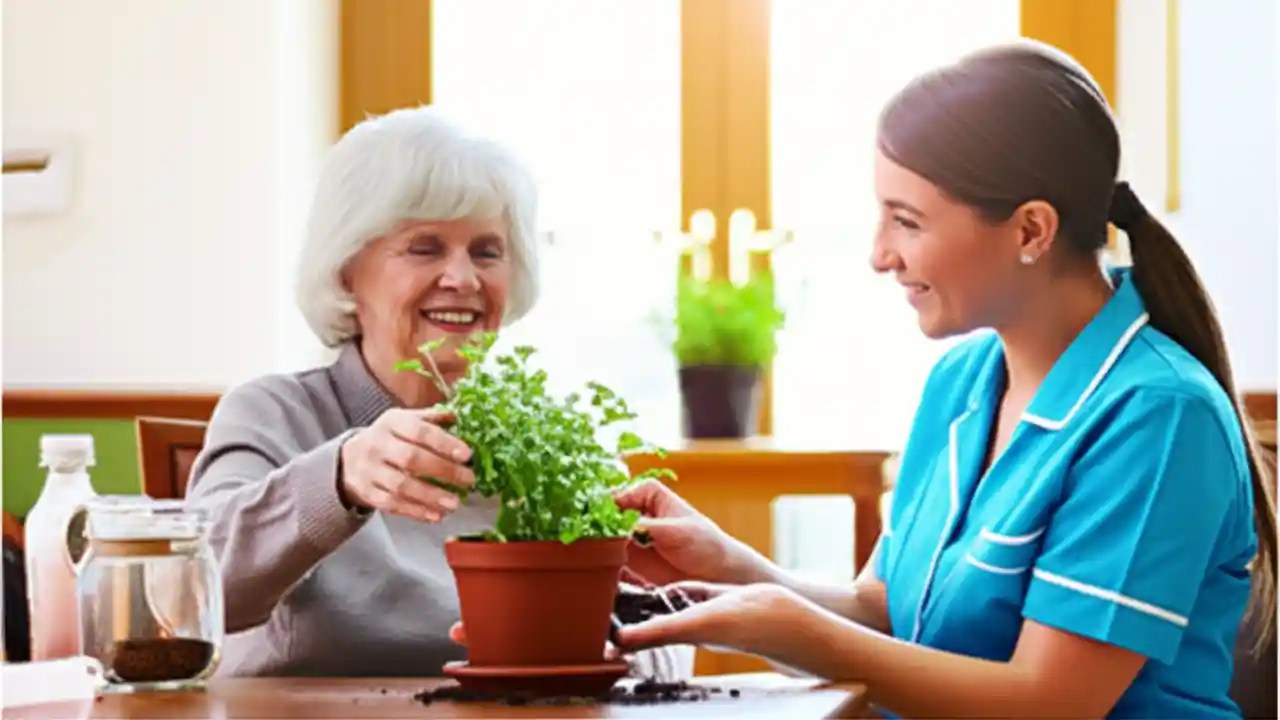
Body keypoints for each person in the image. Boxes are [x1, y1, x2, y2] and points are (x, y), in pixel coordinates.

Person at [605, 41, 1275, 719]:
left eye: (906, 220)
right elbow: (888, 614)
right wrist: (729, 565)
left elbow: (1052, 703)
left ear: (1031, 231)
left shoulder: (1158, 416)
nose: (878, 254)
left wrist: (799, 632)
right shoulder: (961, 383)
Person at [186, 106, 688, 678]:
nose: (463, 279)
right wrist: (342, 477)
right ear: (347, 271)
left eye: (486, 251)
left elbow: (665, 636)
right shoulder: (275, 415)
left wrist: (629, 651)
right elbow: (193, 588)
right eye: (424, 248)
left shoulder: (547, 448)